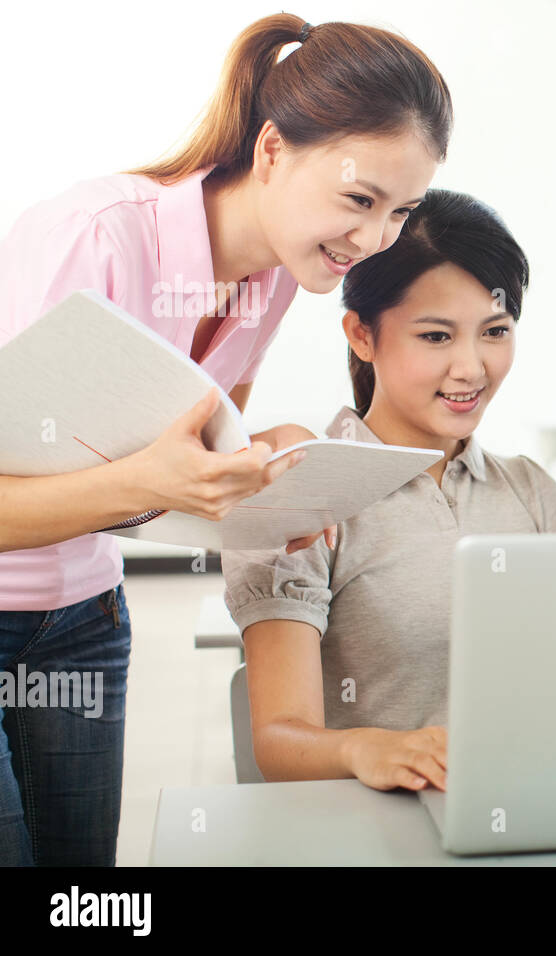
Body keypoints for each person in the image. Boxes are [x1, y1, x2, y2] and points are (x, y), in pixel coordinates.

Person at [0, 13, 451, 865]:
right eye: (358, 199)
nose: (374, 240)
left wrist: (267, 479)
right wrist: (156, 484)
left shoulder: (274, 277)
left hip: (85, 616)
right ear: (273, 150)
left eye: (401, 210)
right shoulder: (92, 238)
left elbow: (194, 461)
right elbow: (139, 482)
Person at [221, 190, 556, 792]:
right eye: (436, 337)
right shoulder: (304, 493)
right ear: (362, 335)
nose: (470, 368)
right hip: (370, 831)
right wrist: (369, 749)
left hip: (526, 813)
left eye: (494, 331)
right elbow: (279, 740)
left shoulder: (535, 494)